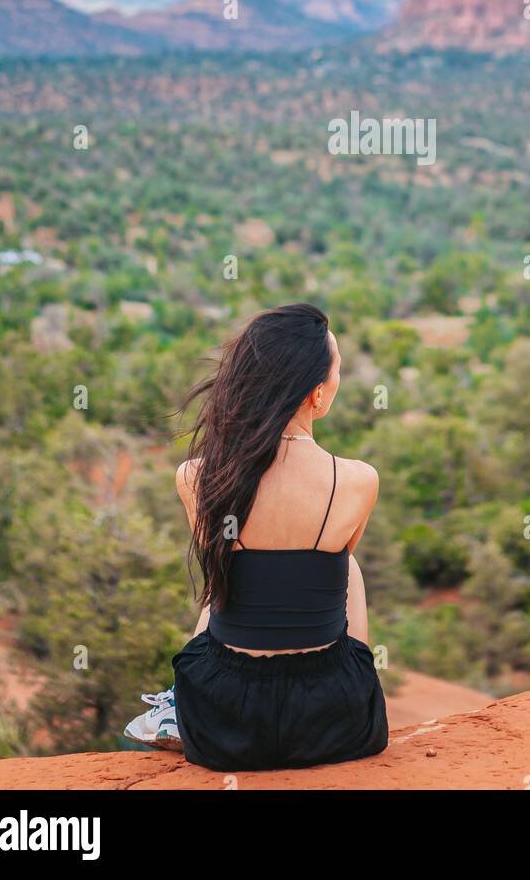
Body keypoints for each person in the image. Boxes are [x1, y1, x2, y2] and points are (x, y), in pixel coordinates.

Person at [124, 303, 388, 771]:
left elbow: (225, 585)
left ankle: (172, 707)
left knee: (226, 568)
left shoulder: (198, 477)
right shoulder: (357, 481)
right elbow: (328, 574)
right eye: (338, 371)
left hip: (224, 722)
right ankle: (358, 680)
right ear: (316, 394)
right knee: (345, 565)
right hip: (334, 719)